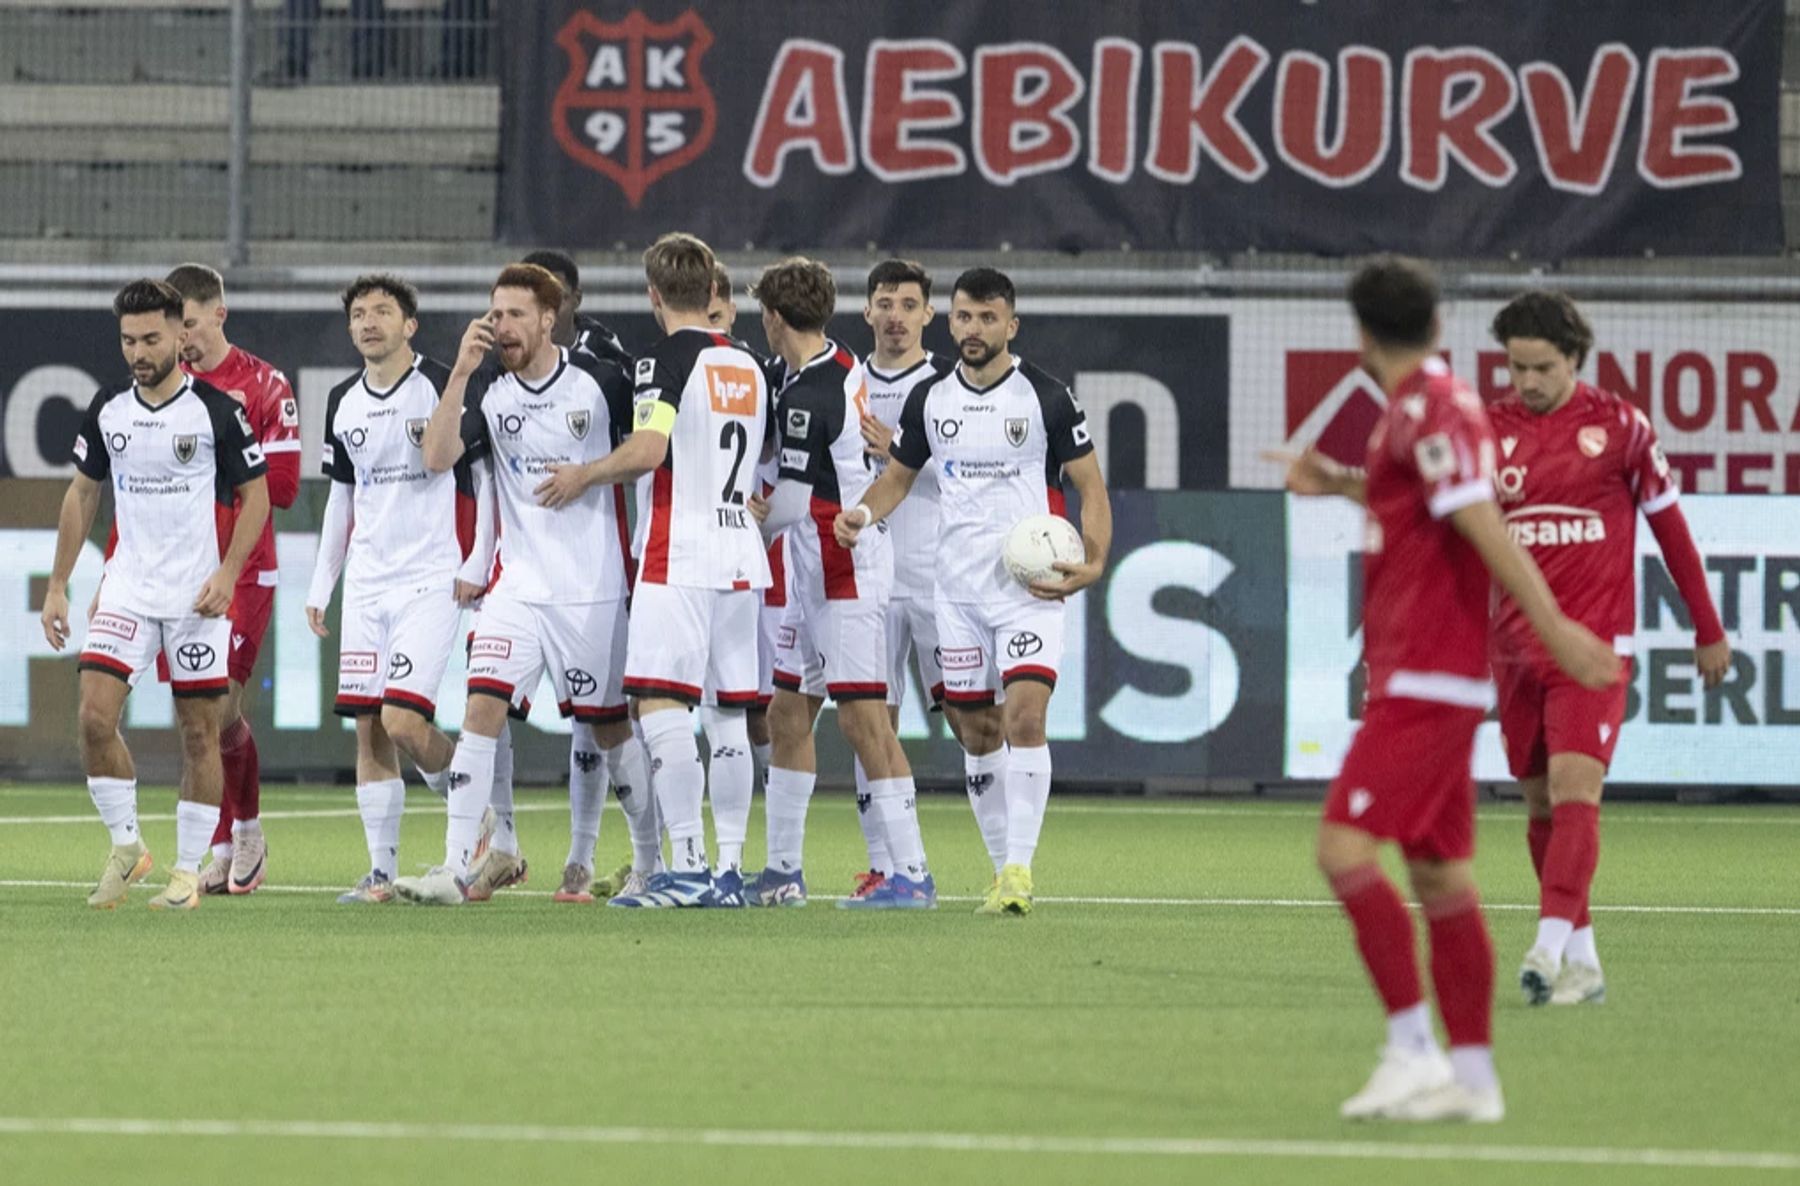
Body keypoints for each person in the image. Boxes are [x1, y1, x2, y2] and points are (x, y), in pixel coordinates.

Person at [1275, 257, 1620, 1123]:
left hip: (1426, 678)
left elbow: (1478, 523)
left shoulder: (1429, 406)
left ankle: (1411, 1051)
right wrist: (1340, 482)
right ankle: (1472, 1081)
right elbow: (1431, 504)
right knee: (1438, 878)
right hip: (1429, 673)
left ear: (1359, 334)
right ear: (1435, 324)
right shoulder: (1434, 407)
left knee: (1343, 853)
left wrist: (1557, 631)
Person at [833, 267, 1111, 915]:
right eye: (965, 317)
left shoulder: (1046, 397)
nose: (974, 329)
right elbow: (897, 479)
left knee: (1025, 717)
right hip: (953, 592)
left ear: (1010, 325)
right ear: (951, 321)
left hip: (1028, 587)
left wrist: (1094, 562)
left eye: (989, 318)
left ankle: (1019, 870)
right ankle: (999, 872)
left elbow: (1091, 488)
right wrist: (863, 515)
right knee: (976, 732)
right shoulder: (931, 399)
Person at [1487, 291, 1731, 1006]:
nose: (1527, 381)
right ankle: (1585, 963)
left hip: (1592, 651)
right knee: (1539, 804)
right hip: (1514, 654)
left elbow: (1671, 528)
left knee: (1574, 791)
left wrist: (1707, 626)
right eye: (1515, 367)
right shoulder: (1487, 430)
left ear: (1573, 360)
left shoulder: (1619, 428)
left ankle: (1545, 946)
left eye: (1541, 367)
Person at [545, 231, 774, 909]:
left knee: (660, 704)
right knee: (729, 714)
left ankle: (687, 868)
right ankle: (729, 871)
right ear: (712, 294)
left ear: (652, 295)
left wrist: (585, 473)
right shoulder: (751, 365)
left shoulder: (662, 361)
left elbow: (647, 450)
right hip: (740, 551)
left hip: (680, 552)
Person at [397, 263, 636, 905]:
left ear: (548, 319)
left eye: (515, 314)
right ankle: (457, 866)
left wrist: (588, 474)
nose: (501, 326)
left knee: (612, 733)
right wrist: (459, 374)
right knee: (480, 715)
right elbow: (437, 456)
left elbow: (651, 450)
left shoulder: (602, 382)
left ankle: (651, 858)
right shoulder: (489, 392)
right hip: (517, 588)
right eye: (495, 313)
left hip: (592, 590)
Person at [40, 279, 270, 910]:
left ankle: (188, 872)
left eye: (150, 338)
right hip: (127, 590)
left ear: (179, 334)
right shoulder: (109, 406)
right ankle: (126, 846)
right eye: (127, 340)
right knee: (93, 716)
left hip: (195, 597)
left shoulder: (217, 412)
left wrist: (227, 573)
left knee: (199, 733)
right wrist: (59, 584)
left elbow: (258, 497)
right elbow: (83, 493)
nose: (138, 352)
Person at [745, 257, 934, 909]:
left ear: (773, 317)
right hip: (813, 572)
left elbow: (795, 500)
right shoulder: (836, 360)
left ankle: (911, 873)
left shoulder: (808, 395)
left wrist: (749, 529)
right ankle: (783, 871)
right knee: (788, 712)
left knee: (865, 722)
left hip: (844, 567)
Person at [304, 273, 478, 904]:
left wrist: (477, 560)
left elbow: (475, 478)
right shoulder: (343, 399)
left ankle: (471, 802)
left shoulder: (441, 382)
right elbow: (341, 499)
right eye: (358, 313)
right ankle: (380, 871)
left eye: (382, 311)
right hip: (369, 585)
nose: (367, 321)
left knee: (403, 721)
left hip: (430, 577)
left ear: (410, 325)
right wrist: (323, 582)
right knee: (368, 729)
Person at [507, 249, 661, 903]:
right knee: (570, 718)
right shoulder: (504, 358)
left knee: (603, 719)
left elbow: (642, 450)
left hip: (601, 558)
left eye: (541, 296)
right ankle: (564, 856)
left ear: (566, 299)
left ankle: (642, 854)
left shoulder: (608, 361)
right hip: (531, 569)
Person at [164, 264, 301, 896]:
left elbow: (283, 488)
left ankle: (246, 829)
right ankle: (220, 844)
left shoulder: (264, 384)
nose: (179, 338)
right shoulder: (166, 390)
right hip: (180, 569)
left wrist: (220, 456)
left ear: (219, 313)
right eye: (172, 326)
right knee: (194, 712)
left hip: (243, 568)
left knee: (219, 707)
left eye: (187, 323)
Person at [846, 259, 956, 901]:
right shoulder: (847, 381)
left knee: (976, 724)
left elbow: (968, 475)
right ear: (867, 312)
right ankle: (885, 866)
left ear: (926, 315)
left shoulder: (947, 385)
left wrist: (901, 449)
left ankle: (1006, 860)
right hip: (868, 577)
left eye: (908, 304)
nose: (895, 315)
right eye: (884, 302)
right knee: (870, 722)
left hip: (937, 577)